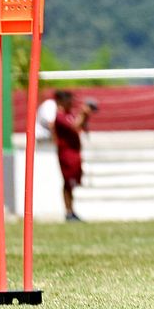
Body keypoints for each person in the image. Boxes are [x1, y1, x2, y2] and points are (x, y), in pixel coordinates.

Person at [51, 90, 95, 221]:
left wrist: (86, 116)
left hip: (74, 152)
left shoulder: (68, 114)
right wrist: (82, 113)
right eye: (69, 101)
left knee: (72, 183)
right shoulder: (59, 116)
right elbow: (75, 127)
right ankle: (68, 212)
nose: (72, 104)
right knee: (68, 182)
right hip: (66, 153)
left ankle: (71, 211)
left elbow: (81, 127)